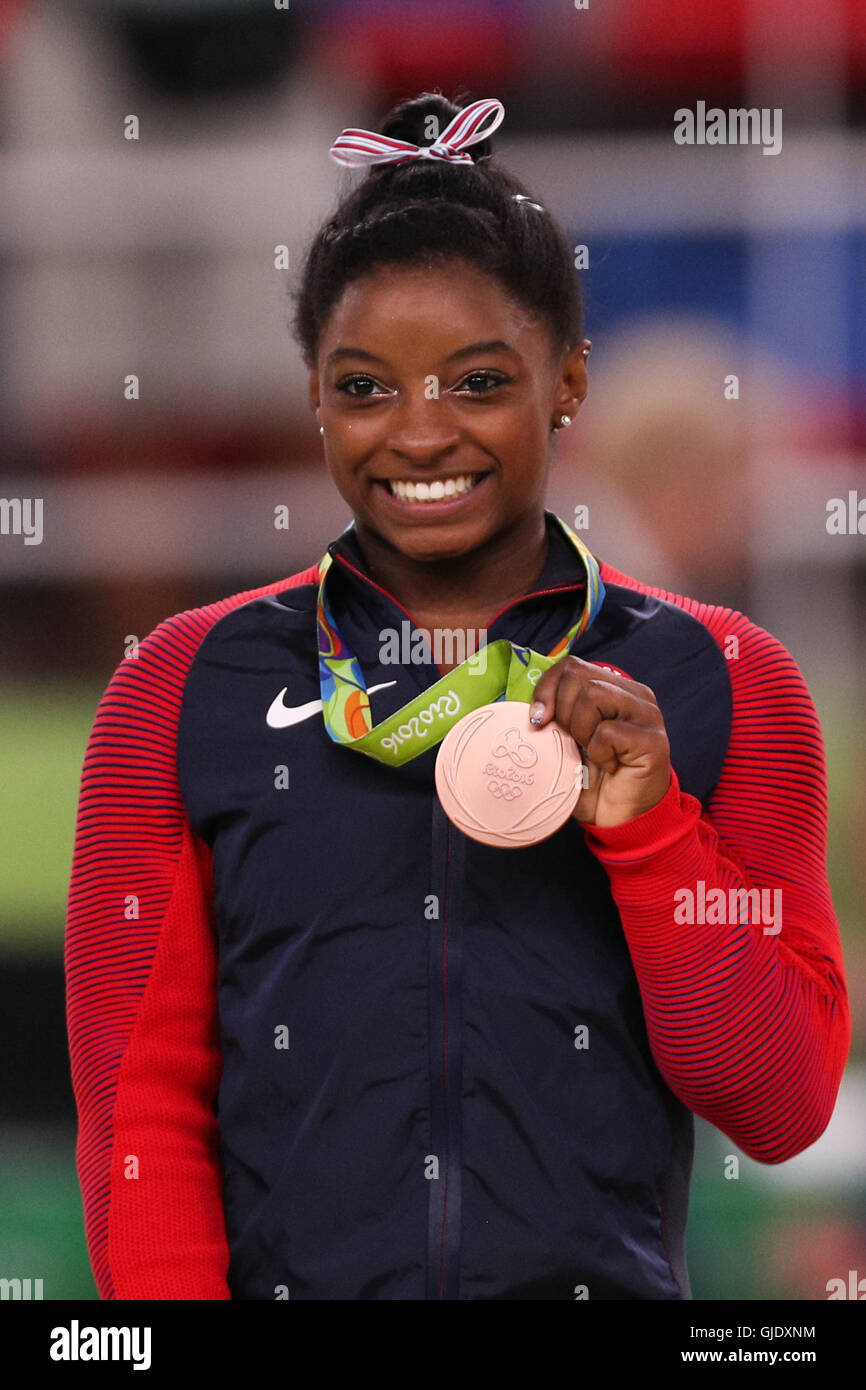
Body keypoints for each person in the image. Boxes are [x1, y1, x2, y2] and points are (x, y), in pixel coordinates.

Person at [65, 92, 850, 1301]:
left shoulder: (723, 679)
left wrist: (649, 836)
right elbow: (142, 1107)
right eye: (366, 387)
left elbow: (780, 1101)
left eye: (476, 381)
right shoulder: (179, 685)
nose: (418, 434)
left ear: (569, 381)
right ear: (313, 397)